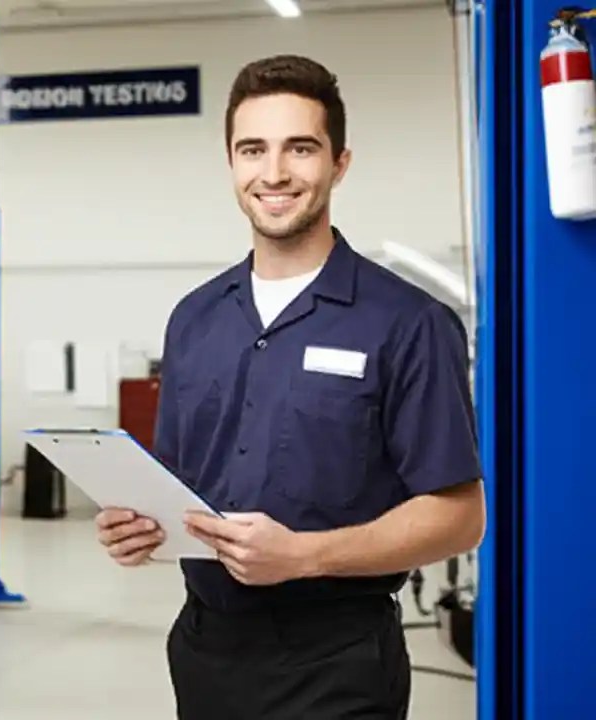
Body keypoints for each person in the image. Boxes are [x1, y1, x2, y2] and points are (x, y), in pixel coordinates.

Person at [94, 55, 485, 720]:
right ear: (231, 163)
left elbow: (460, 516)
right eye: (253, 149)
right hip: (202, 651)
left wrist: (303, 555)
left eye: (299, 148)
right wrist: (137, 524)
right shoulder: (194, 318)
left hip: (336, 664)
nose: (273, 173)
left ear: (339, 163)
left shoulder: (408, 323)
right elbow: (177, 482)